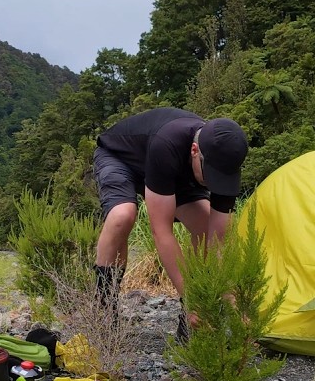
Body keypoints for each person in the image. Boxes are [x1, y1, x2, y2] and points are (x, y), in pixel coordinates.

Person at [91, 107, 249, 341]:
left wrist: (230, 300)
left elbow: (219, 241)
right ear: (195, 151)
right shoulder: (168, 142)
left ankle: (190, 322)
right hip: (121, 159)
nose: (214, 184)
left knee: (206, 228)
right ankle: (104, 309)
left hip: (175, 173)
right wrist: (191, 295)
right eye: (211, 177)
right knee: (123, 215)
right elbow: (161, 231)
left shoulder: (224, 159)